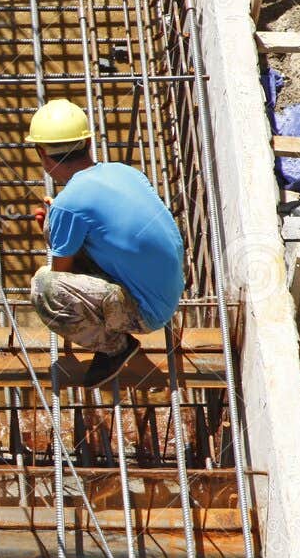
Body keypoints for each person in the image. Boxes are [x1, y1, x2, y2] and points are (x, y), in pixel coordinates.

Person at [26, 99, 186, 388]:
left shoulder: (68, 204)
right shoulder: (124, 172)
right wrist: (57, 223)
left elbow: (62, 275)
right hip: (168, 290)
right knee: (63, 235)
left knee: (44, 287)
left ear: (42, 153)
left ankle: (116, 347)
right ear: (88, 142)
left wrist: (56, 225)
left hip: (146, 312)